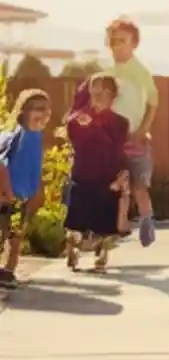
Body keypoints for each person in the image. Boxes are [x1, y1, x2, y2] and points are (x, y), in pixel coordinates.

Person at [70, 18, 160, 246]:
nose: (117, 45)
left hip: (134, 138)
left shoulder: (140, 72)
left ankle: (147, 219)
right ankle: (108, 227)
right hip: (111, 139)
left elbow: (153, 103)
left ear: (134, 43)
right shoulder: (107, 72)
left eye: (122, 41)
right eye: (113, 41)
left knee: (139, 183)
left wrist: (143, 130)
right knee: (111, 183)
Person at [64, 74, 130, 273]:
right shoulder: (77, 119)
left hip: (108, 174)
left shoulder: (120, 123)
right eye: (95, 92)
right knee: (77, 218)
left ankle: (102, 254)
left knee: (106, 219)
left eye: (105, 92)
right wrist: (85, 122)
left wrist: (122, 175)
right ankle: (72, 247)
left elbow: (116, 147)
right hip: (83, 174)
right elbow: (74, 138)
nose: (99, 97)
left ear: (113, 96)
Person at [0, 89, 52, 289]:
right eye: (38, 109)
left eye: (47, 110)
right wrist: (8, 192)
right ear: (24, 111)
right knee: (6, 234)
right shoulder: (16, 137)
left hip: (23, 196)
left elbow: (34, 166)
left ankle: (9, 272)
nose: (44, 114)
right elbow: (2, 165)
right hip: (8, 196)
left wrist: (38, 188)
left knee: (17, 235)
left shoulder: (36, 137)